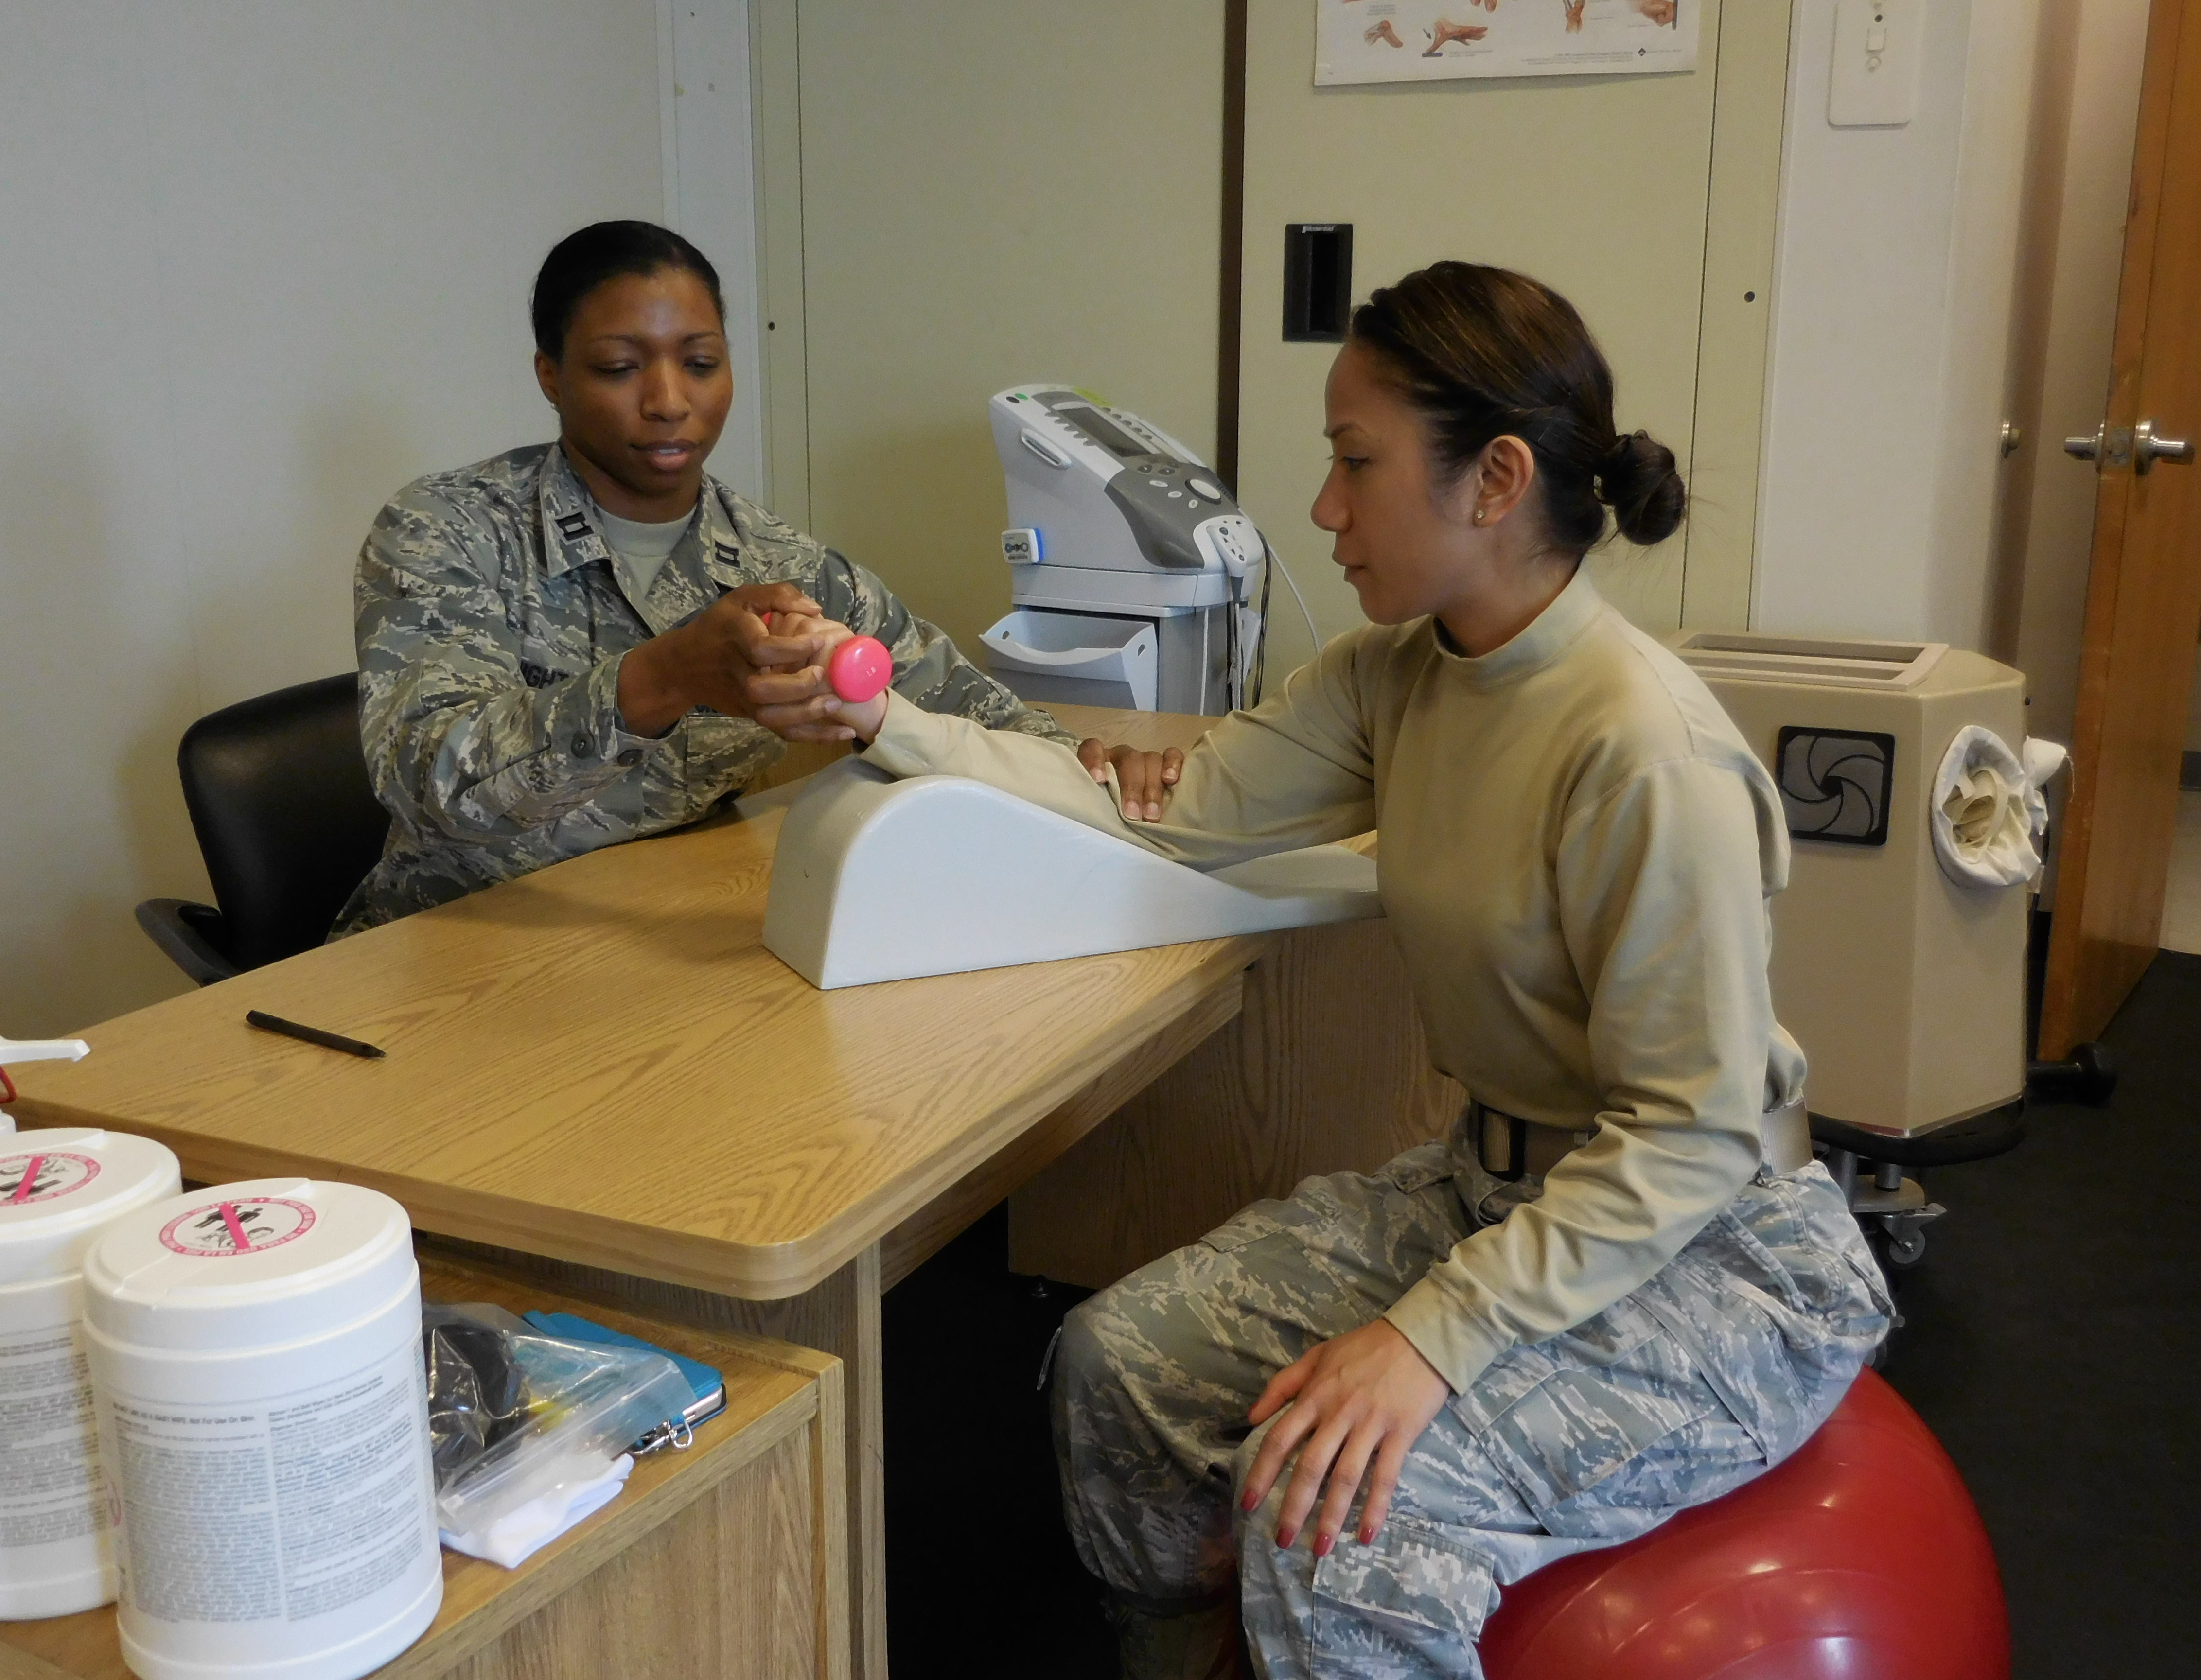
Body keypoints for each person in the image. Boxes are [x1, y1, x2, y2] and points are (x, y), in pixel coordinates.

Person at [767, 262, 1891, 1678]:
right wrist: (886, 727)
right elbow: (1168, 808)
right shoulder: (1398, 675)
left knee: (1331, 1514)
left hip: (1710, 1254)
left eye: (1356, 463)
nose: (1322, 508)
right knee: (1121, 1366)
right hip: (1493, 1194)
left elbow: (1692, 1134)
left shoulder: (1646, 753)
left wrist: (1431, 1340)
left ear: (1495, 481)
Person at [334, 219, 1090, 935]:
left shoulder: (781, 566)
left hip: (660, 938)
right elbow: (427, 783)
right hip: (451, 949)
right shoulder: (450, 530)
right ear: (552, 376)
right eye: (619, 368)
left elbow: (976, 717)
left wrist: (1094, 768)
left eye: (700, 364)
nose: (669, 403)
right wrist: (664, 677)